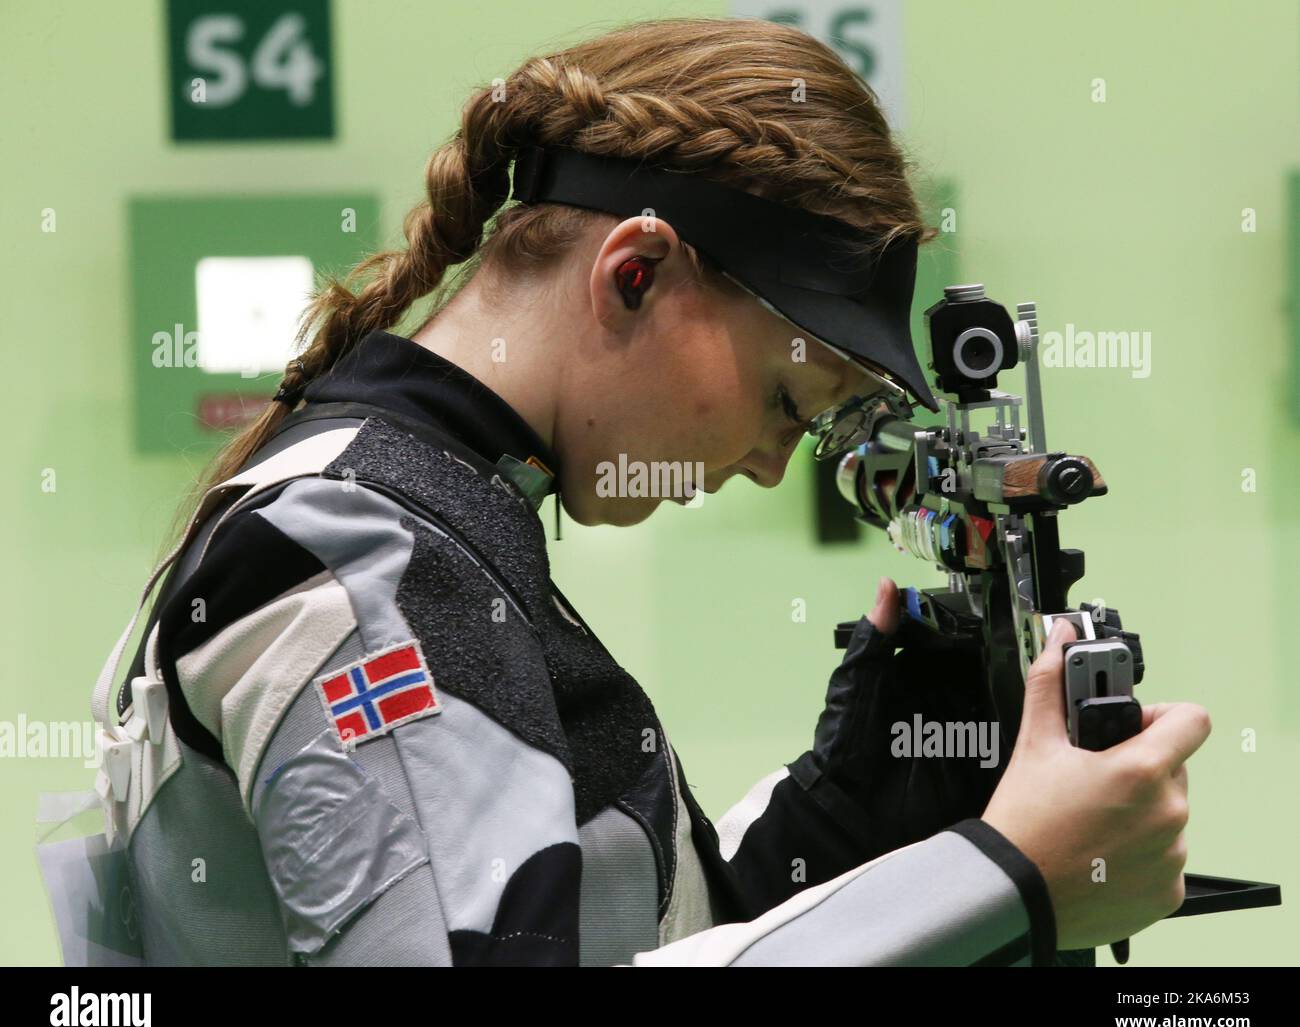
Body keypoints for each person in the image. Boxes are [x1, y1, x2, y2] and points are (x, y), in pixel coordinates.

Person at [89, 17, 1207, 966]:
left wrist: (848, 806)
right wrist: (1008, 877)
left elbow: (618, 932)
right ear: (634, 274)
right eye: (783, 398)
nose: (775, 462)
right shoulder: (359, 545)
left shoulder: (437, 518)